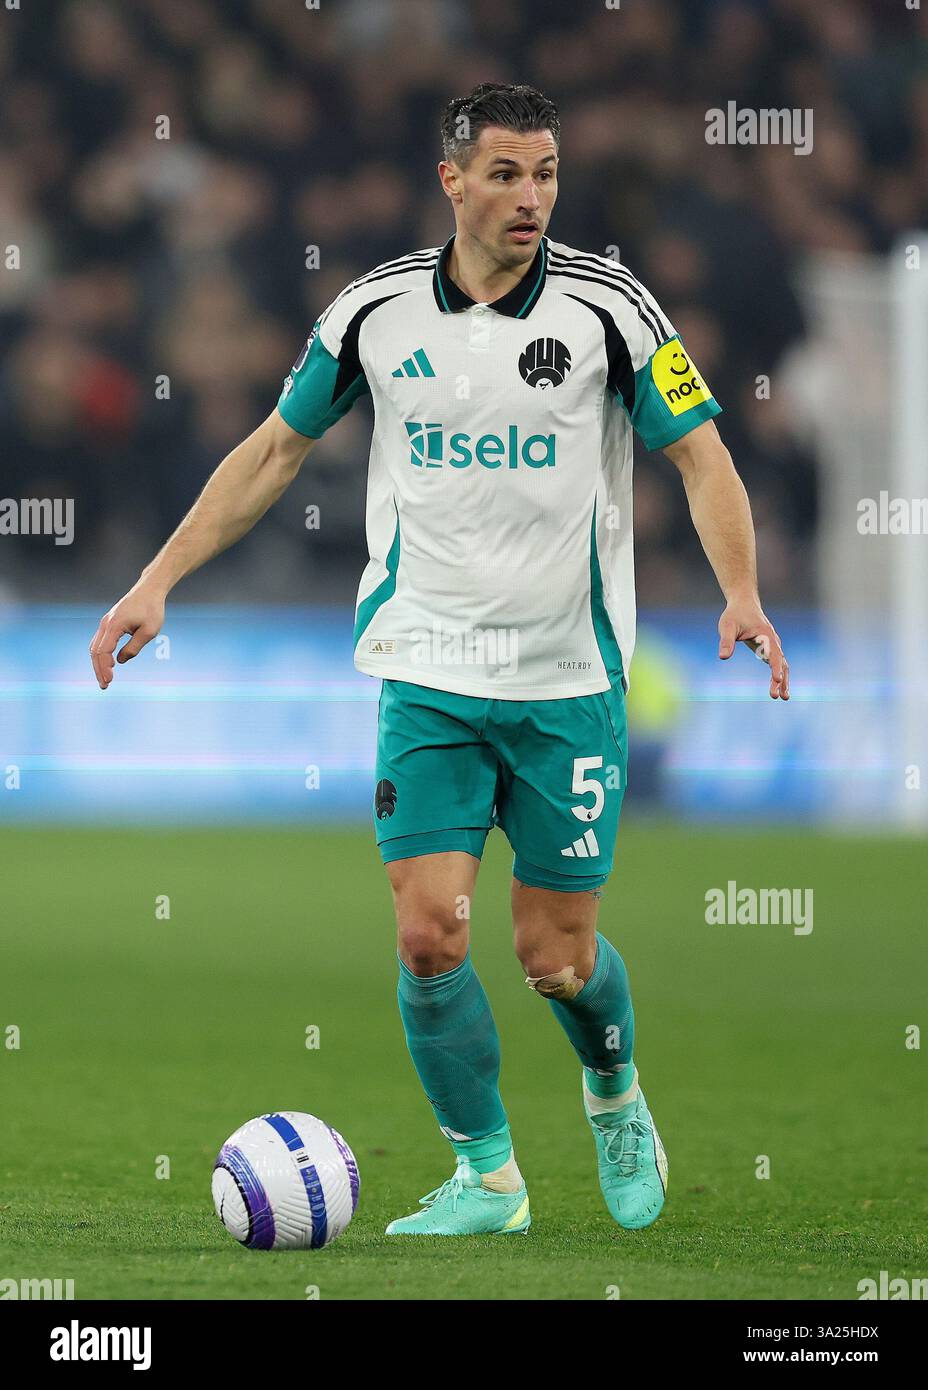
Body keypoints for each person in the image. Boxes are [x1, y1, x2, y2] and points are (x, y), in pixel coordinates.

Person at [90, 82, 789, 1238]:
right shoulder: (373, 312)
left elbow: (702, 458)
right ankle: (489, 1178)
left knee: (553, 956)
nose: (530, 196)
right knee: (429, 934)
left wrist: (741, 591)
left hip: (568, 683)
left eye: (546, 173)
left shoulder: (613, 307)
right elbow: (272, 452)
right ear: (451, 180)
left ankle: (613, 1090)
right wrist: (158, 579)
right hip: (427, 674)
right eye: (505, 173)